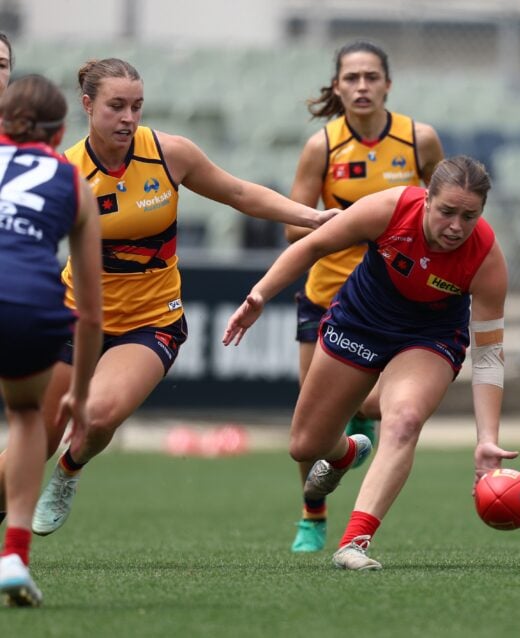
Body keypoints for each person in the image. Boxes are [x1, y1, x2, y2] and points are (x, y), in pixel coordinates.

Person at [0, 57, 336, 538]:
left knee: (97, 418)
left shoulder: (168, 153)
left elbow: (240, 193)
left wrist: (313, 217)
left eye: (136, 106)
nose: (128, 118)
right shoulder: (67, 171)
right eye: (116, 106)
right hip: (75, 315)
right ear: (87, 105)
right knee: (40, 436)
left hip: (151, 319)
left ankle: (69, 472)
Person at [224, 155, 517, 570]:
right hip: (361, 320)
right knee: (305, 446)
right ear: (426, 200)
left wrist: (486, 437)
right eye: (447, 212)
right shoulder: (389, 209)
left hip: (429, 336)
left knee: (405, 420)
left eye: (469, 216)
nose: (456, 226)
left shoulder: (486, 258)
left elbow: (488, 352)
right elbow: (312, 245)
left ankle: (354, 543)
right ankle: (345, 453)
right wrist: (259, 295)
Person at [283, 40, 444, 553]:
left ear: (388, 84)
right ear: (337, 86)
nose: (361, 86)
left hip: (392, 302)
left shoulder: (419, 141)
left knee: (373, 403)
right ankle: (312, 513)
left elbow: (446, 213)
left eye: (371, 77)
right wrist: (339, 223)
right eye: (351, 78)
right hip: (326, 295)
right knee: (310, 419)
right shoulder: (322, 147)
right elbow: (292, 226)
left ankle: (358, 418)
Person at [0, 75, 102, 607]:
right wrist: (79, 395)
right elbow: (90, 313)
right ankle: (14, 556)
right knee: (24, 416)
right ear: (62, 132)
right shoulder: (73, 181)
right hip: (30, 306)